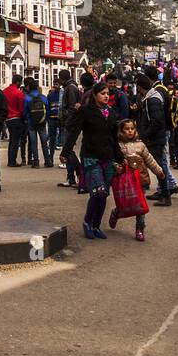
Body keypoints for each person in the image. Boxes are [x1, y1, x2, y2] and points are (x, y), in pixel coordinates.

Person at [60, 81, 125, 240]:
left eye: (107, 94)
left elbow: (114, 139)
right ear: (95, 95)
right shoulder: (85, 111)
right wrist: (65, 152)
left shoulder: (112, 114)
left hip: (108, 158)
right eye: (102, 93)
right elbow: (74, 132)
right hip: (90, 157)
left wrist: (121, 159)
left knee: (104, 195)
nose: (105, 96)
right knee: (98, 192)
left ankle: (96, 225)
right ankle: (87, 222)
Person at [109, 119, 164, 242]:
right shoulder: (117, 145)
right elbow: (111, 159)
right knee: (125, 203)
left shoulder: (141, 145)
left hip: (140, 179)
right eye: (126, 129)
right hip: (125, 181)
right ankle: (116, 213)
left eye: (132, 129)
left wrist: (159, 171)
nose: (130, 131)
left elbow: (150, 160)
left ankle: (140, 228)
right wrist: (115, 166)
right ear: (120, 131)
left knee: (140, 205)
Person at [136, 72, 178, 204]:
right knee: (158, 166)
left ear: (139, 87)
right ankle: (163, 192)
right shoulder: (151, 98)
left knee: (159, 166)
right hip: (155, 137)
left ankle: (165, 195)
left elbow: (156, 121)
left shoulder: (152, 100)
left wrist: (144, 135)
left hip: (155, 139)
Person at [23, 77, 53, 168]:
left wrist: (26, 119)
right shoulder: (43, 97)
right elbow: (48, 109)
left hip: (31, 122)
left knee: (33, 142)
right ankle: (47, 161)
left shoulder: (27, 98)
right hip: (42, 122)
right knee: (44, 141)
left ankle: (36, 162)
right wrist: (45, 118)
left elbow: (25, 111)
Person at [3, 73, 26, 167]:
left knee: (11, 140)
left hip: (8, 119)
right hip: (16, 118)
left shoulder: (4, 91)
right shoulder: (18, 93)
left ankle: (10, 159)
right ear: (18, 82)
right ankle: (12, 161)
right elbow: (21, 108)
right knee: (15, 141)